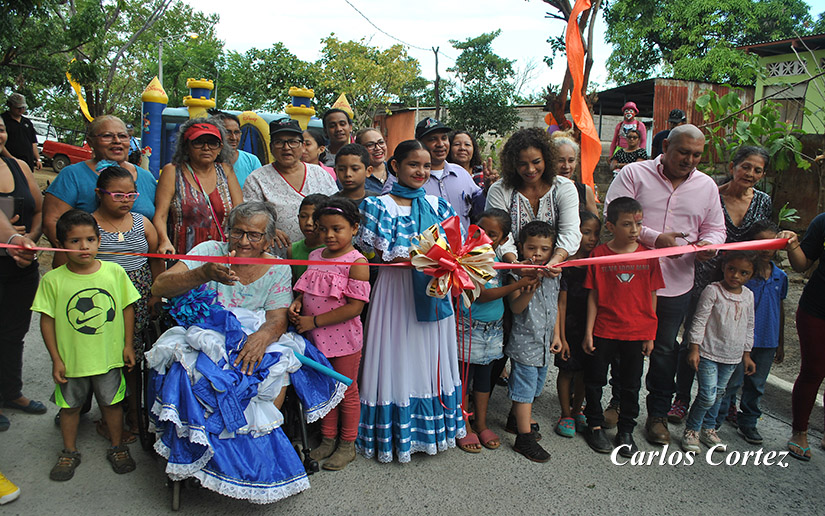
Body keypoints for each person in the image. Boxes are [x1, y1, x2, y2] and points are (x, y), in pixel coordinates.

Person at [605, 124, 726, 447]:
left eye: (697, 155)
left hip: (675, 283)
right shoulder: (634, 174)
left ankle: (657, 414)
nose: (689, 160)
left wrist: (709, 246)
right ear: (666, 146)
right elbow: (611, 211)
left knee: (664, 351)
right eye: (683, 152)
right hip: (629, 280)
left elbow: (716, 228)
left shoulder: (707, 186)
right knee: (625, 347)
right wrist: (653, 238)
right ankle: (618, 402)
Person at [356, 139, 465, 463]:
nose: (420, 171)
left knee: (429, 356)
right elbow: (379, 255)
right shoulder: (376, 206)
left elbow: (454, 250)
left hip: (433, 293)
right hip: (395, 293)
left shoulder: (438, 206)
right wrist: (424, 255)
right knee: (396, 354)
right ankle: (393, 435)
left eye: (426, 165)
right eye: (413, 164)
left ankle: (433, 431)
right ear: (395, 167)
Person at [32, 209, 141, 481]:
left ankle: (116, 446)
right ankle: (69, 451)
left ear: (99, 240)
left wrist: (128, 345)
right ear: (61, 244)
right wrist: (56, 359)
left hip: (108, 359)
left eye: (90, 239)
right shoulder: (53, 280)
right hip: (72, 362)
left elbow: (128, 309)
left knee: (112, 404)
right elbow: (46, 321)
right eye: (75, 241)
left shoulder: (114, 272)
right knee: (70, 408)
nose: (84, 247)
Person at [670, 146, 773, 424]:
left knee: (732, 338)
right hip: (705, 274)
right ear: (732, 166)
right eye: (746, 167)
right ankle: (681, 398)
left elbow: (765, 237)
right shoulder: (710, 193)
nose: (750, 174)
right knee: (694, 335)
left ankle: (724, 400)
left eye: (757, 170)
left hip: (739, 279)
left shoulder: (763, 201)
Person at [289, 198, 370, 471]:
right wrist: (298, 302)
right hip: (315, 338)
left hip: (344, 340)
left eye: (337, 228)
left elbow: (354, 308)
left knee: (346, 390)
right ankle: (327, 438)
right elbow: (308, 288)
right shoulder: (315, 256)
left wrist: (314, 321)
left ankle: (347, 444)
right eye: (323, 229)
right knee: (325, 388)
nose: (329, 235)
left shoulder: (357, 262)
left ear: (354, 228)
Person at [582, 197, 665, 457]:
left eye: (638, 224)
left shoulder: (649, 257)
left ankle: (626, 429)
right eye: (627, 224)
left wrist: (650, 334)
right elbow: (593, 296)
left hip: (636, 332)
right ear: (610, 226)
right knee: (595, 380)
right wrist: (588, 331)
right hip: (604, 330)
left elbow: (653, 296)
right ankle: (594, 423)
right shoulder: (598, 255)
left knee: (630, 384)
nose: (634, 230)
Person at [91, 165, 162, 442]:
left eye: (131, 195)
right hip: (102, 302)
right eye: (117, 195)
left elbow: (156, 258)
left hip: (139, 297)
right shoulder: (88, 225)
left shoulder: (142, 222)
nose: (125, 200)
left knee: (133, 357)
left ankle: (135, 412)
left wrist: (156, 293)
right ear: (100, 194)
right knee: (106, 360)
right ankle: (109, 415)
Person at [455, 209, 534, 453]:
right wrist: (520, 283)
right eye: (480, 230)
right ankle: (464, 425)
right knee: (464, 382)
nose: (485, 237)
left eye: (493, 234)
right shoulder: (467, 257)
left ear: (503, 238)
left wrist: (524, 271)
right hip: (469, 331)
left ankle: (481, 423)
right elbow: (482, 294)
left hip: (493, 331)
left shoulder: (500, 258)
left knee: (483, 381)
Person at [43, 115, 157, 266]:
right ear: (91, 142)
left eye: (123, 136)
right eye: (107, 136)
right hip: (86, 272)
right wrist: (76, 259)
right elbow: (51, 221)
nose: (116, 141)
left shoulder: (146, 177)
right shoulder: (72, 175)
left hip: (138, 273)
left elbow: (157, 221)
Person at [716, 221, 786, 445]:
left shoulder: (780, 276)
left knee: (756, 384)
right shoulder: (745, 276)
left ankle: (749, 422)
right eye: (761, 242)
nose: (766, 249)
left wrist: (780, 342)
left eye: (772, 243)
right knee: (731, 381)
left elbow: (780, 309)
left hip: (767, 339)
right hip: (739, 339)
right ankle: (714, 420)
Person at [681, 251, 756, 453]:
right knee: (707, 394)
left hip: (732, 356)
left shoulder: (749, 296)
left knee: (719, 394)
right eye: (732, 269)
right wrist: (694, 348)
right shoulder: (713, 291)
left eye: (743, 272)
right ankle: (692, 429)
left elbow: (749, 326)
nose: (736, 276)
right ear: (723, 267)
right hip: (708, 352)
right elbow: (699, 320)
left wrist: (746, 354)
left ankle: (709, 428)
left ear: (750, 275)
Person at [504, 220, 561, 462]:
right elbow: (516, 308)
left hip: (544, 342)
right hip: (525, 342)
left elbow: (556, 306)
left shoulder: (554, 274)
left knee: (536, 387)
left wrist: (557, 335)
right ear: (520, 247)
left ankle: (514, 420)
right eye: (531, 248)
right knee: (525, 390)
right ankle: (523, 438)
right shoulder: (515, 274)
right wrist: (527, 289)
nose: (537, 254)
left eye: (544, 249)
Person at [0, 116, 44, 431]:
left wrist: (29, 241)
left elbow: (40, 210)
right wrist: (12, 238)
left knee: (14, 333)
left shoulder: (20, 167)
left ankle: (11, 392)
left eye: (0, 128)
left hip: (20, 266)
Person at [486, 127, 581, 271]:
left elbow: (570, 231)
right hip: (509, 276)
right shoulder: (499, 190)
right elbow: (496, 235)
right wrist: (515, 264)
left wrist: (554, 262)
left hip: (555, 274)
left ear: (547, 160)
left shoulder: (564, 188)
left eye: (536, 162)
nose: (530, 169)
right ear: (512, 164)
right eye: (522, 164)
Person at [243, 119, 338, 251]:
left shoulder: (320, 174)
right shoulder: (257, 179)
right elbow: (248, 218)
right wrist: (268, 230)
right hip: (276, 256)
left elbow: (337, 212)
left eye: (293, 142)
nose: (286, 147)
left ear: (303, 146)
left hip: (320, 255)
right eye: (279, 142)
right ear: (271, 147)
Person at [154, 119, 242, 256]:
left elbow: (240, 213)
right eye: (198, 142)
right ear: (186, 146)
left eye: (213, 143)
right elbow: (160, 215)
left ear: (220, 148)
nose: (206, 148)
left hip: (221, 254)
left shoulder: (226, 171)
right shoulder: (172, 171)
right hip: (182, 254)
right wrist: (164, 240)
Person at [382, 118, 483, 232]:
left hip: (459, 247)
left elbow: (479, 208)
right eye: (432, 139)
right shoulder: (401, 179)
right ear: (419, 143)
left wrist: (488, 189)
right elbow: (386, 215)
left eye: (444, 138)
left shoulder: (461, 173)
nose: (440, 144)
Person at [781, 216, 825, 461]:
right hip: (817, 309)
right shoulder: (822, 222)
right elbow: (801, 264)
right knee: (814, 370)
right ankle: (800, 432)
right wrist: (794, 245)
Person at [554, 211, 601, 439]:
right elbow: (561, 304)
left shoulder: (598, 263)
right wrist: (561, 337)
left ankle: (577, 409)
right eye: (586, 232)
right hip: (569, 326)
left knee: (584, 372)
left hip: (590, 327)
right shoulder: (566, 265)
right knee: (566, 370)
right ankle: (565, 414)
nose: (591, 238)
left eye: (596, 233)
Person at [209, 113, 262, 187]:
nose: (233, 138)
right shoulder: (208, 160)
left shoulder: (252, 161)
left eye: (236, 132)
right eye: (227, 132)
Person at [551, 133, 597, 215]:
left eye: (571, 160)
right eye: (560, 160)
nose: (566, 166)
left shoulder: (585, 191)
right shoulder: (542, 190)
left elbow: (594, 224)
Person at [288, 193, 328, 282]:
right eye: (303, 216)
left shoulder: (333, 249)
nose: (309, 222)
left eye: (315, 217)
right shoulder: (293, 250)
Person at [1, 94, 41, 171]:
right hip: (8, 163)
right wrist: (11, 158)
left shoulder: (27, 122)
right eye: (18, 108)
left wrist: (38, 159)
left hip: (27, 163)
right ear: (10, 105)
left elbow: (33, 142)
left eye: (23, 108)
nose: (20, 110)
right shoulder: (3, 121)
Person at [355, 128, 389, 192]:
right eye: (370, 145)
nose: (378, 148)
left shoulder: (397, 171)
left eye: (381, 142)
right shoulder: (355, 177)